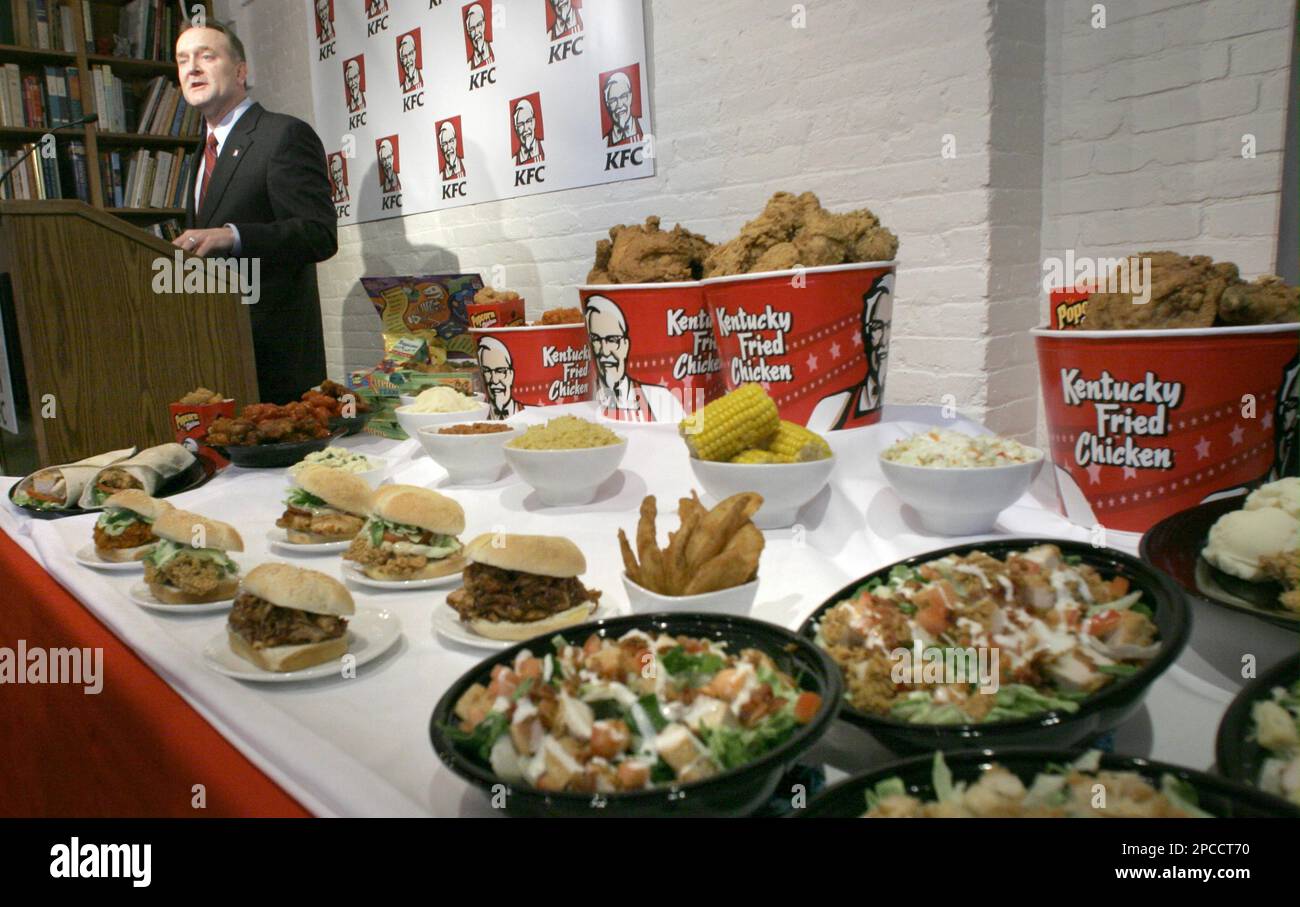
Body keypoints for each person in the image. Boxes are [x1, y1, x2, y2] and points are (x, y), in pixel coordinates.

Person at [172, 20, 336, 405]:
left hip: (276, 364)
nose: (192, 68)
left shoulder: (282, 135)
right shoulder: (199, 152)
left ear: (241, 70)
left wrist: (233, 235)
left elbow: (318, 233)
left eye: (206, 56)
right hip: (219, 355)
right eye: (183, 60)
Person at [807, 272, 893, 430]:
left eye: (888, 326)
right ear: (865, 333)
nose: (883, 340)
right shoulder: (832, 408)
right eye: (877, 327)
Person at [584, 295, 681, 422]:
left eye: (612, 340)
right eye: (596, 339)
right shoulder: (590, 403)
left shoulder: (661, 397)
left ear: (625, 345)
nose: (605, 351)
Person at [477, 337, 526, 419]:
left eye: (500, 371)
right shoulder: (478, 415)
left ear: (511, 375)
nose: (494, 380)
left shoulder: (528, 412)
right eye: (487, 371)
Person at [602, 72, 643, 147]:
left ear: (630, 97)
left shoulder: (644, 125)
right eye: (613, 100)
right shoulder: (604, 142)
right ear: (608, 105)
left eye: (623, 96)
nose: (619, 105)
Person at [511, 98, 544, 166]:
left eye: (528, 121)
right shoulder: (513, 161)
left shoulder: (545, 147)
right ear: (516, 129)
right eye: (520, 124)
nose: (525, 128)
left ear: (534, 123)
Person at [465, 5, 494, 69]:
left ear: (484, 24)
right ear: (469, 32)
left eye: (478, 25)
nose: (476, 31)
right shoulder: (468, 65)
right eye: (472, 28)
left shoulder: (495, 48)